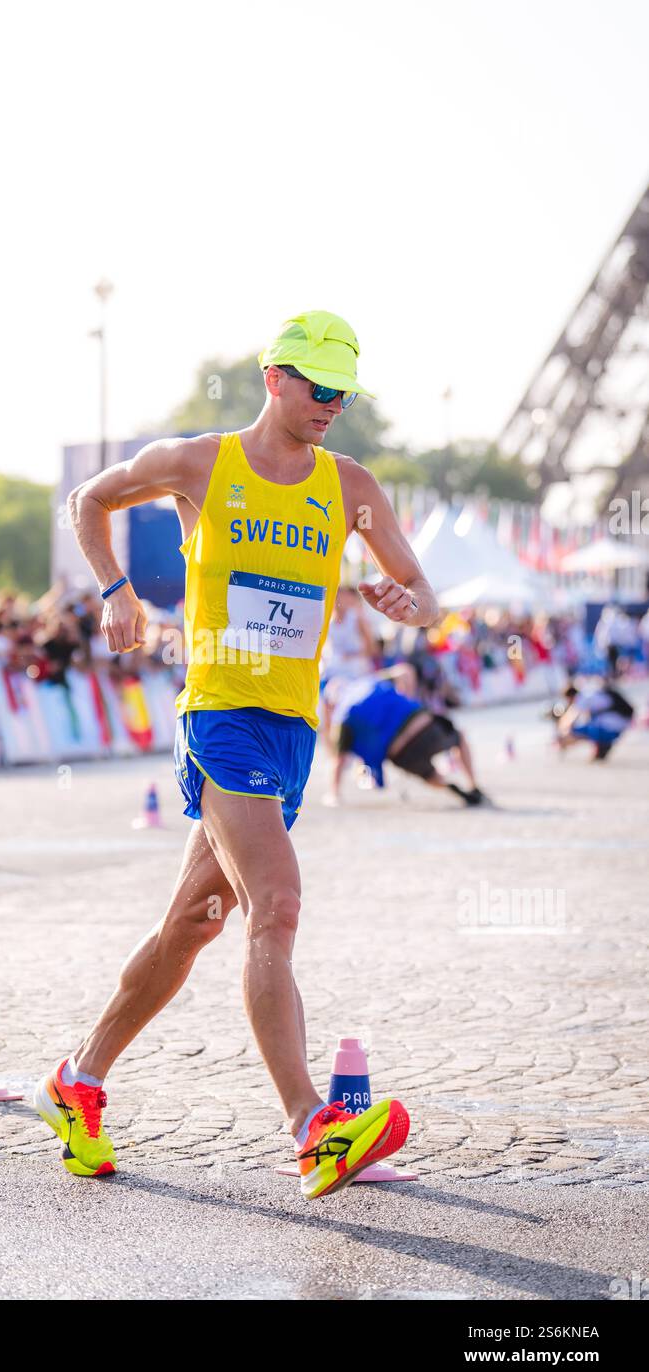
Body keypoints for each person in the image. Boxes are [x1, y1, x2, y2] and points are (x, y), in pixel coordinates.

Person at [33, 310, 437, 1199]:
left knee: (192, 926)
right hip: (221, 717)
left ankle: (79, 1079)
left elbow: (422, 588)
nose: (333, 404)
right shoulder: (200, 463)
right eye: (320, 387)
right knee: (278, 905)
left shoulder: (352, 485)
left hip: (292, 730)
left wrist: (409, 603)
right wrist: (116, 591)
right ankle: (313, 1128)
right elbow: (89, 499)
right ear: (275, 378)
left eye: (345, 392)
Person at [327, 667, 485, 805]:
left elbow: (338, 761)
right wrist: (407, 697)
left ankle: (446, 785)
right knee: (459, 737)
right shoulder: (368, 682)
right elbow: (405, 671)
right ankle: (473, 784)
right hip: (422, 727)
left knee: (429, 775)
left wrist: (334, 794)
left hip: (401, 752)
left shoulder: (341, 718)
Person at [554, 681, 634, 761]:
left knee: (577, 731)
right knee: (589, 726)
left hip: (610, 727)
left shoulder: (582, 699)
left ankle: (601, 747)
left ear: (570, 697)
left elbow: (570, 720)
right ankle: (602, 749)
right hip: (619, 725)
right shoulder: (591, 694)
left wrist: (562, 733)